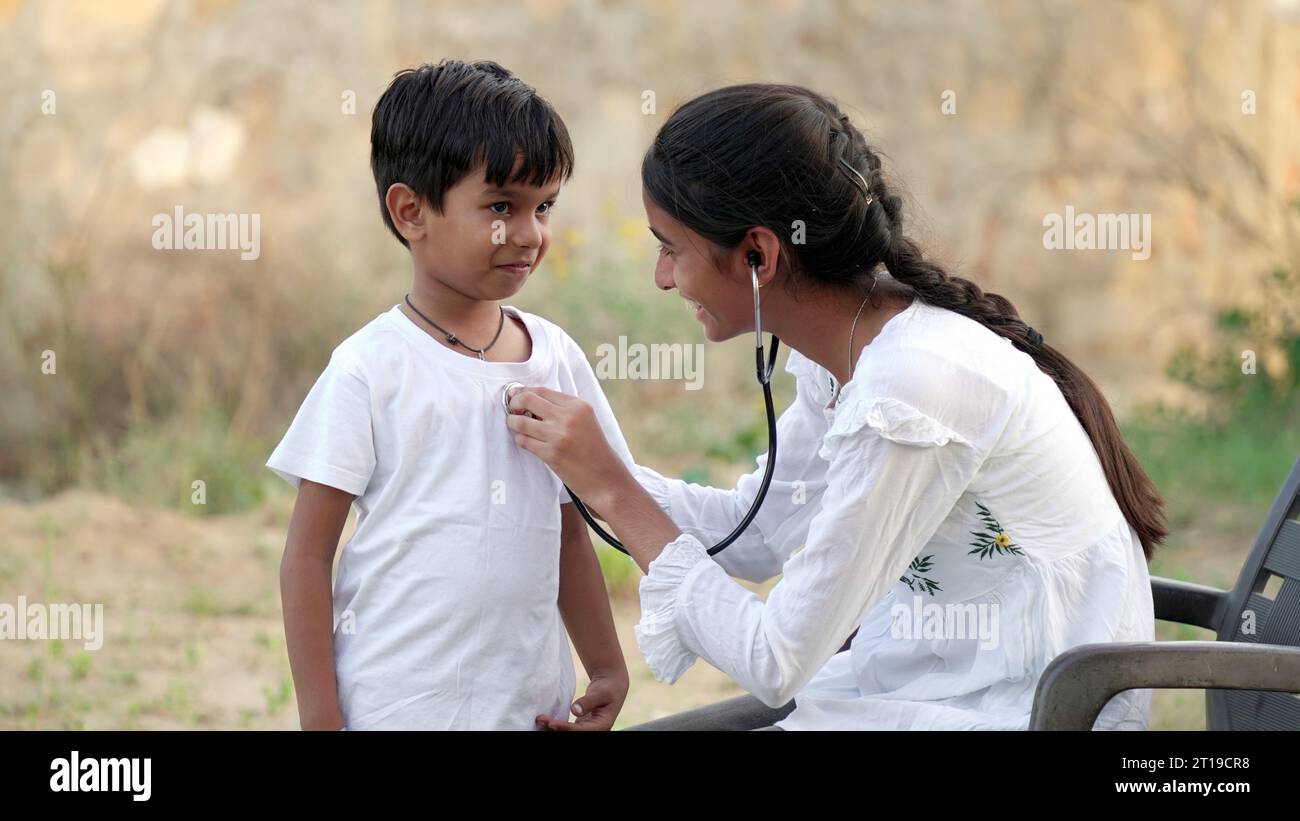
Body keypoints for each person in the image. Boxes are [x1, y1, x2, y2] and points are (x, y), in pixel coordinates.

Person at [507, 83, 1165, 730]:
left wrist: (615, 491)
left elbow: (776, 659)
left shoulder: (907, 391)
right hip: (933, 686)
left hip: (1020, 711)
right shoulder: (852, 351)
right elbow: (759, 530)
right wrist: (586, 470)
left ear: (759, 254)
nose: (661, 277)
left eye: (671, 247)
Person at [269, 60, 631, 731]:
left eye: (544, 206)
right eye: (501, 207)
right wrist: (321, 718)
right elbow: (307, 555)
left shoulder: (555, 359)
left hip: (528, 709)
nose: (529, 233)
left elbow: (568, 532)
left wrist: (606, 665)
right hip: (397, 708)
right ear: (411, 211)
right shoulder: (368, 369)